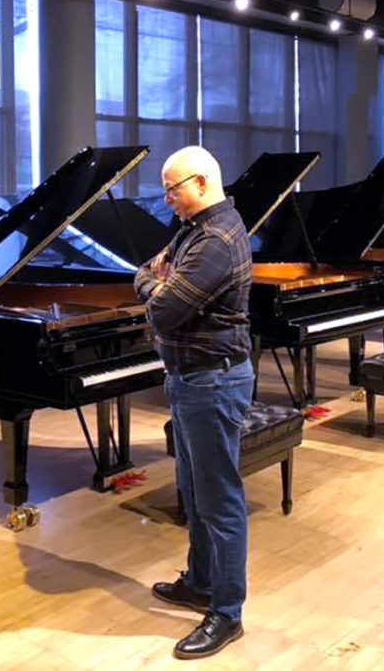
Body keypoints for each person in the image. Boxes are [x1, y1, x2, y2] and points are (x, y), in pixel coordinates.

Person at [135, 146, 255, 660]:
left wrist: (155, 287)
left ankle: (227, 613)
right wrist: (154, 282)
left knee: (219, 500)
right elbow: (147, 272)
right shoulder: (193, 229)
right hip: (191, 378)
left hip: (214, 382)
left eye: (173, 188)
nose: (167, 201)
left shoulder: (215, 239)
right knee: (194, 490)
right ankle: (200, 582)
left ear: (202, 182)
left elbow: (162, 312)